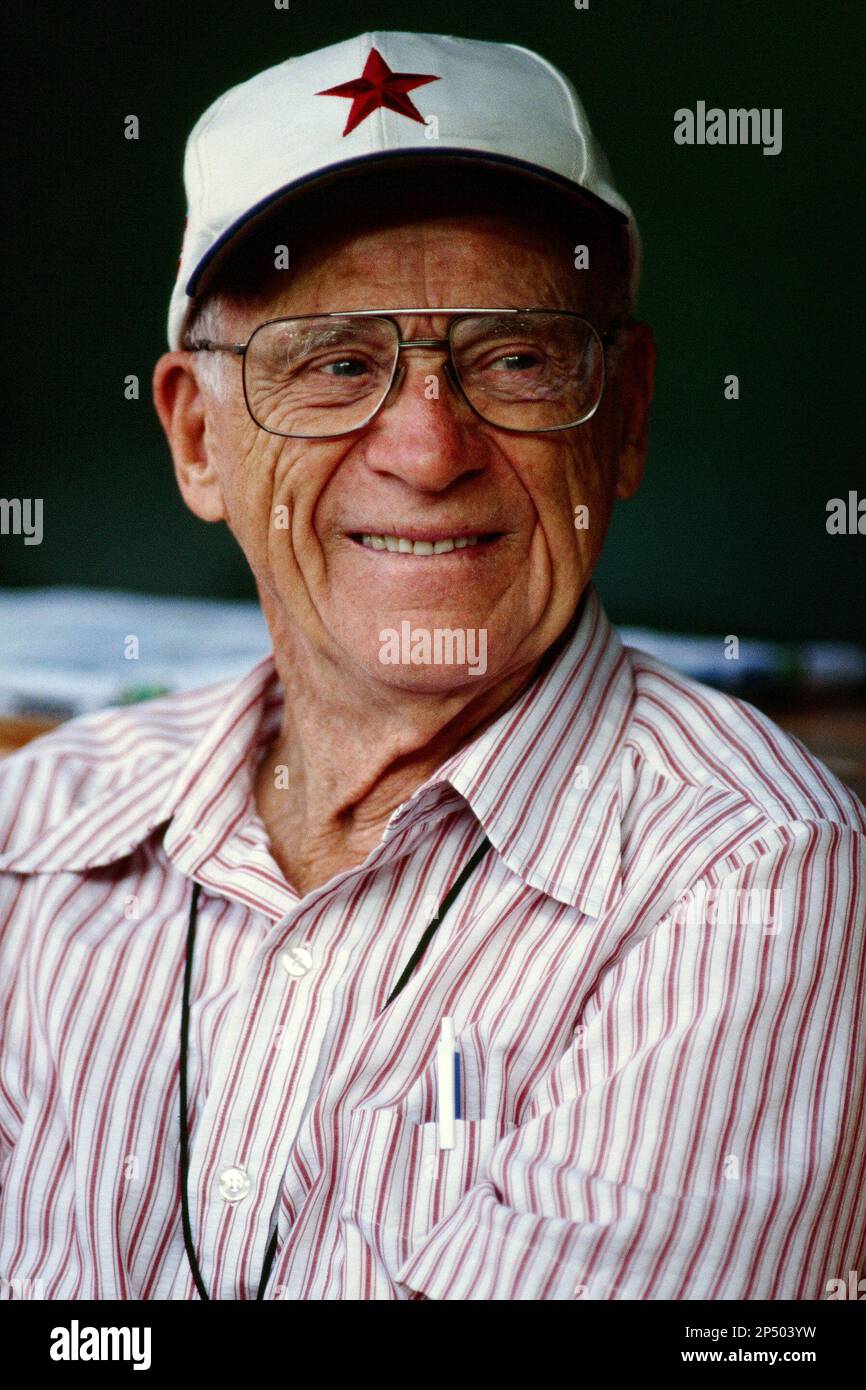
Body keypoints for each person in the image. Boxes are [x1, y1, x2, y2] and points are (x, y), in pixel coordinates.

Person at [1, 31, 863, 1302]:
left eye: (514, 359)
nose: (426, 444)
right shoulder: (36, 829)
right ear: (198, 440)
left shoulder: (752, 869)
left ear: (620, 418)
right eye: (335, 364)